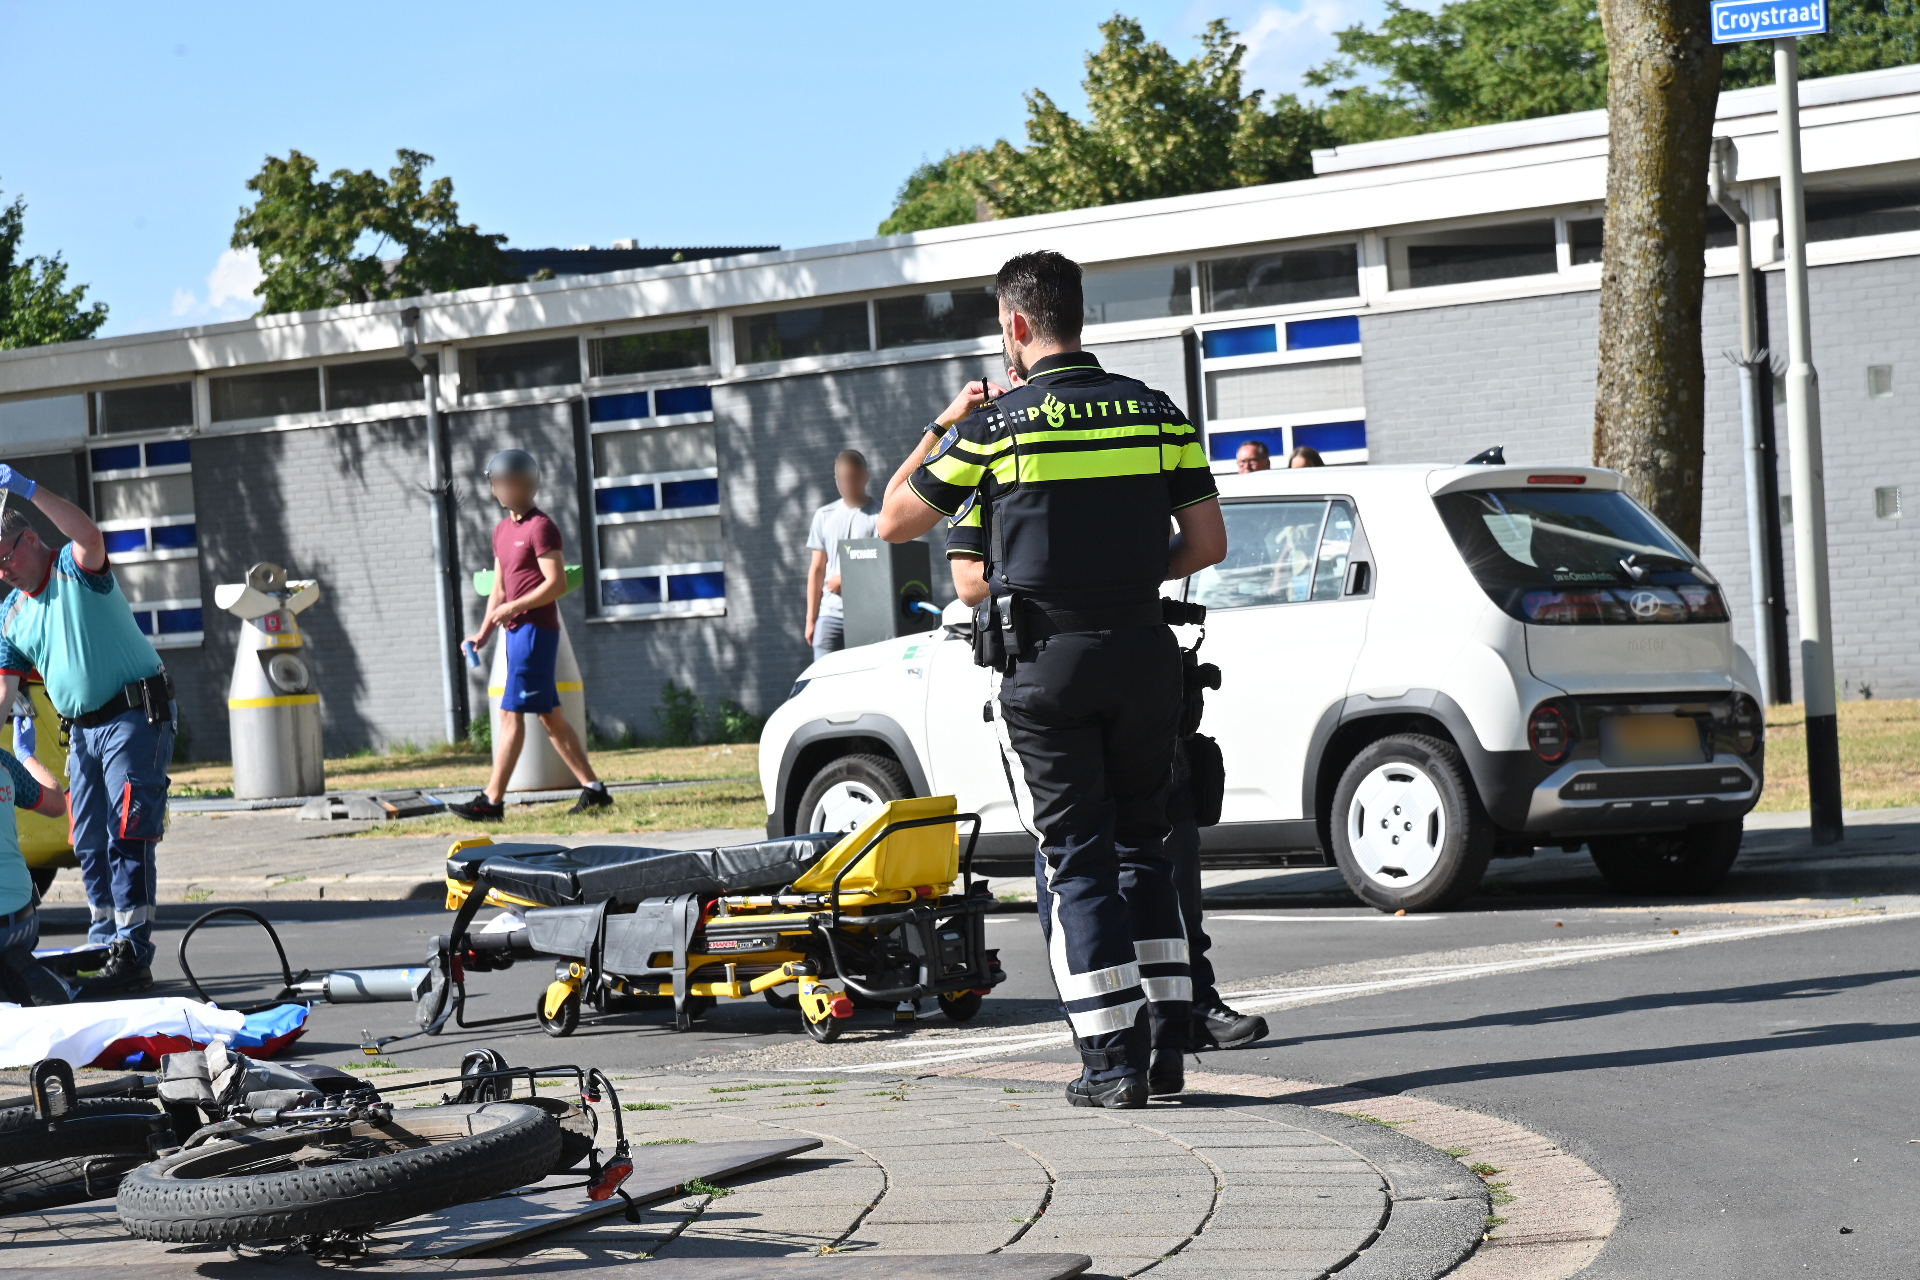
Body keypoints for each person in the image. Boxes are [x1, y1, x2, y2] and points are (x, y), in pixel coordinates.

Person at [882, 250, 1228, 1109]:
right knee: (1145, 846)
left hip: (1049, 666)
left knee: (1077, 860)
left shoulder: (998, 429)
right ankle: (1167, 1046)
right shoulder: (1154, 411)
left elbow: (894, 521)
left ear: (1016, 326)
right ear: (1079, 314)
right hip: (1148, 655)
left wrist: (944, 421)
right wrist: (1131, 581)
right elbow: (1210, 543)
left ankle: (1111, 1066)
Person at [0, 469, 174, 994]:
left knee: (128, 831)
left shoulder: (76, 570)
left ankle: (133, 949)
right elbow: (3, 689)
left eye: (5, 556)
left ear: (30, 538)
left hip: (131, 716)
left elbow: (90, 536)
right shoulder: (10, 615)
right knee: (88, 841)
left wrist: (31, 490)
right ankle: (105, 938)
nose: (3, 571)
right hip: (84, 731)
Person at [450, 450, 610, 821]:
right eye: (499, 483)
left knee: (510, 715)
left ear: (529, 484)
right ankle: (594, 790)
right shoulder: (502, 532)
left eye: (513, 483)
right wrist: (485, 632)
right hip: (514, 633)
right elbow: (500, 591)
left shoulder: (542, 527)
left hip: (536, 632)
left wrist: (513, 610)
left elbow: (554, 583)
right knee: (550, 717)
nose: (505, 489)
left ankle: (491, 802)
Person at [0, 712, 76, 1006]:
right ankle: (17, 971)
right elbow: (57, 804)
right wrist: (26, 755)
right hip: (22, 922)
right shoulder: (5, 763)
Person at [804, 451, 880, 661]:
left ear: (865, 477)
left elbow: (881, 567)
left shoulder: (881, 516)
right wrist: (811, 619)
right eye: (842, 479)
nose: (847, 484)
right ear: (836, 479)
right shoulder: (823, 516)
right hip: (830, 616)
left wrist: (847, 580)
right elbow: (817, 570)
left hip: (867, 617)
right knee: (823, 682)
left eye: (853, 478)